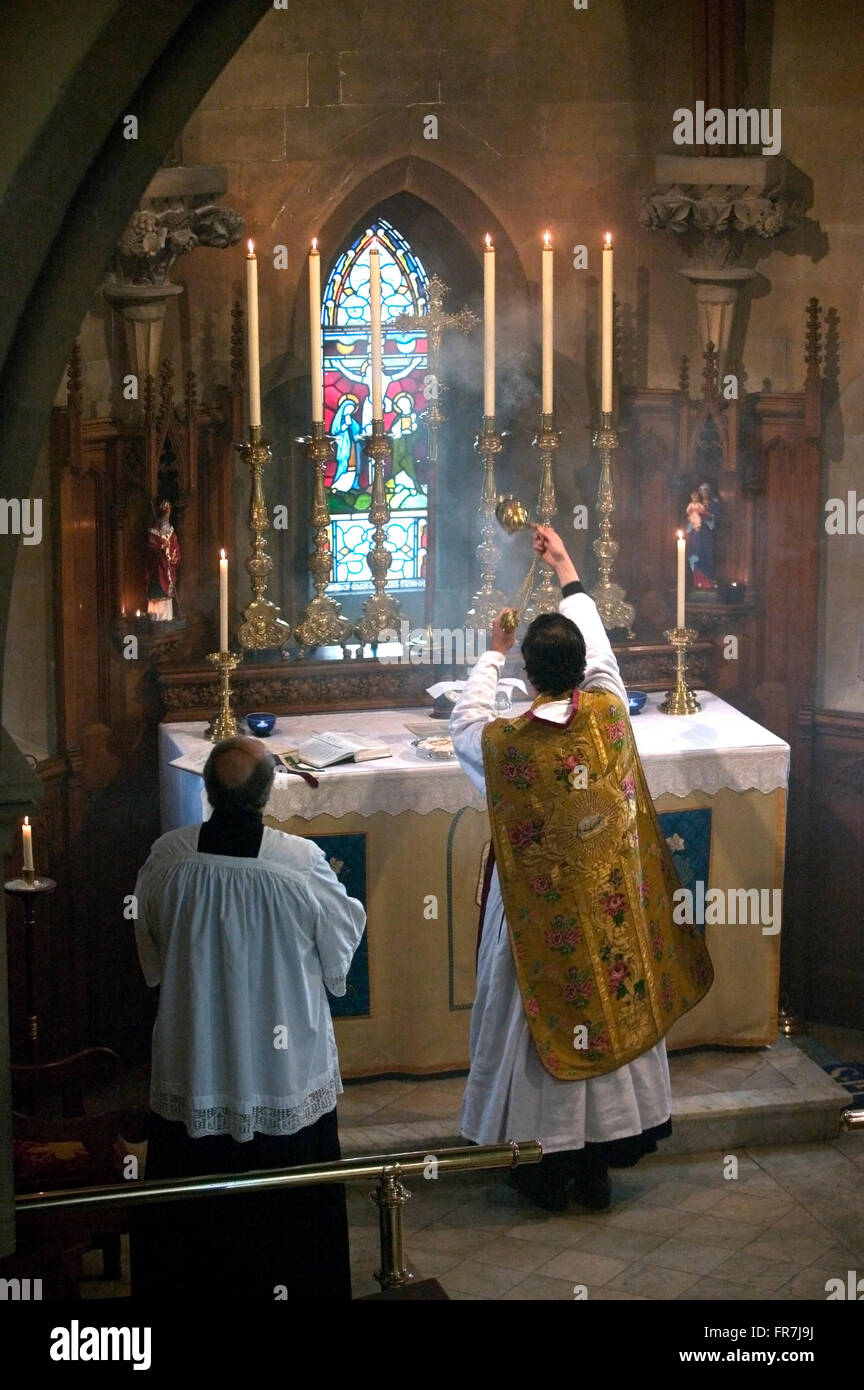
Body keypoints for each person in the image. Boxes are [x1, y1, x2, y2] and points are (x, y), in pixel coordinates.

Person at [450, 526, 713, 1212]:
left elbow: (463, 722)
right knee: (610, 1005)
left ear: (528, 676)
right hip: (608, 910)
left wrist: (490, 652)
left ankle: (544, 1162)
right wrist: (566, 567)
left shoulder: (505, 744)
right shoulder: (609, 715)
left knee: (529, 1020)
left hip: (535, 919)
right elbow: (600, 655)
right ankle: (601, 1157)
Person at [130, 736, 366, 1299]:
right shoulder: (299, 863)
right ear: (268, 795)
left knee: (195, 1224)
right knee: (291, 1219)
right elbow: (342, 936)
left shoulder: (170, 857)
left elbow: (152, 946)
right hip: (281, 1073)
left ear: (208, 790)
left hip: (199, 1060)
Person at [146, 498, 181, 621]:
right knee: (158, 599)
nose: (167, 513)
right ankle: (156, 620)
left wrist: (173, 557)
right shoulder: (154, 532)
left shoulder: (171, 532)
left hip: (168, 569)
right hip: (158, 571)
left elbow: (175, 547)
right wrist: (161, 547)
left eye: (168, 511)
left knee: (167, 601)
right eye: (165, 511)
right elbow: (150, 550)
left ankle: (167, 620)